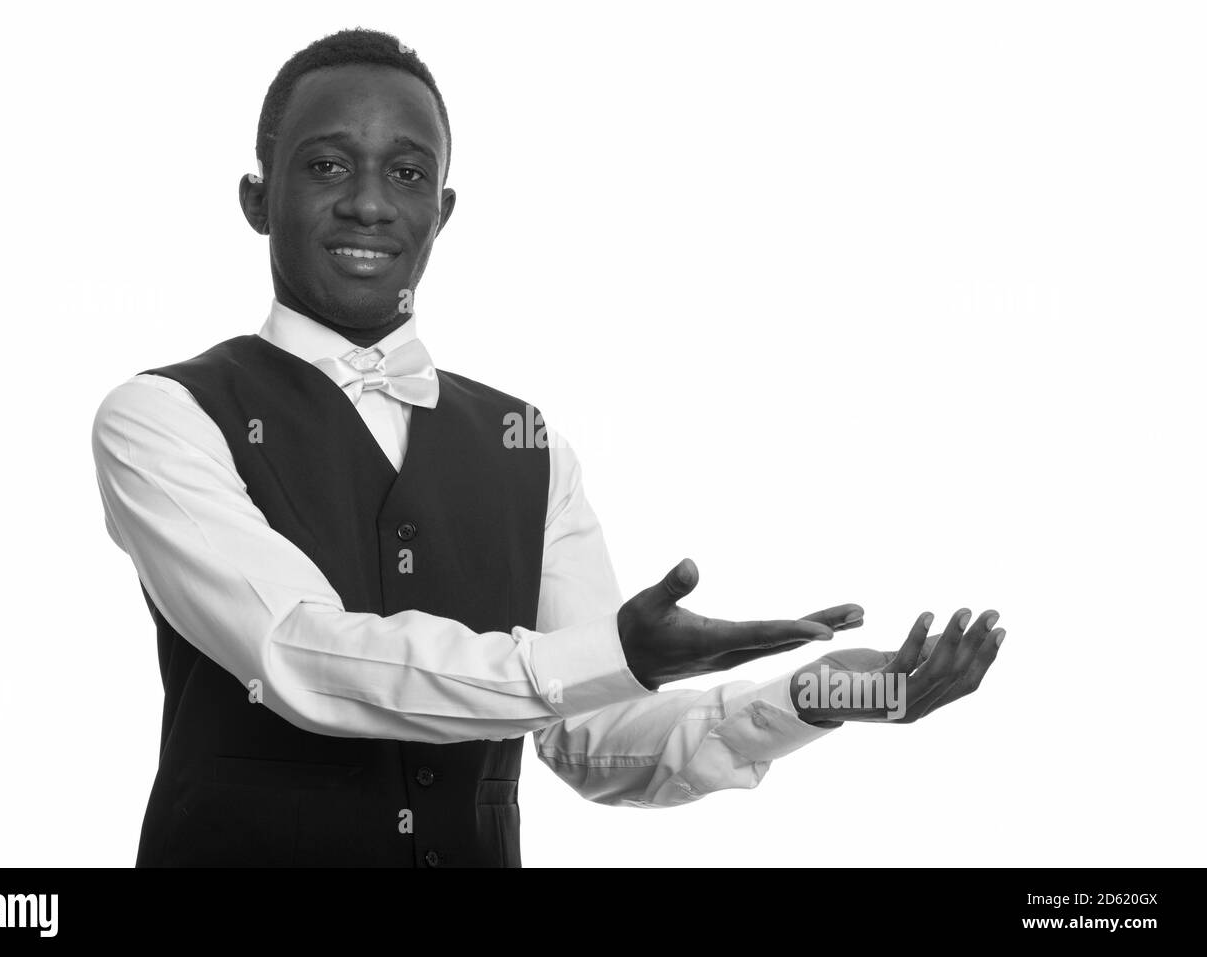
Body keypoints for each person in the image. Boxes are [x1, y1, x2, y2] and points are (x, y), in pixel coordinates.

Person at [91, 28, 1005, 867]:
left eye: (407, 174)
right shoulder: (164, 416)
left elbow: (598, 739)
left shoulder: (528, 446)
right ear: (258, 197)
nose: (369, 203)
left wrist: (807, 698)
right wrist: (608, 653)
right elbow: (297, 655)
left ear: (443, 210)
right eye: (328, 165)